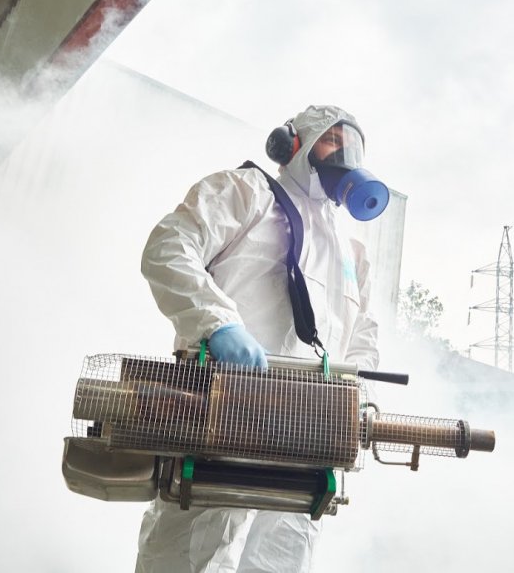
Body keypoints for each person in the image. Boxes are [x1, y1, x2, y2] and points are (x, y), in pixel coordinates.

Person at [135, 105, 388, 572]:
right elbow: (169, 247)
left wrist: (358, 397)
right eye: (332, 140)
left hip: (307, 434)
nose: (344, 154)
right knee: (192, 550)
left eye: (353, 144)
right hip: (220, 407)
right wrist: (218, 325)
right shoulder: (247, 191)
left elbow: (363, 335)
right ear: (291, 144)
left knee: (280, 558)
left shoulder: (352, 251)